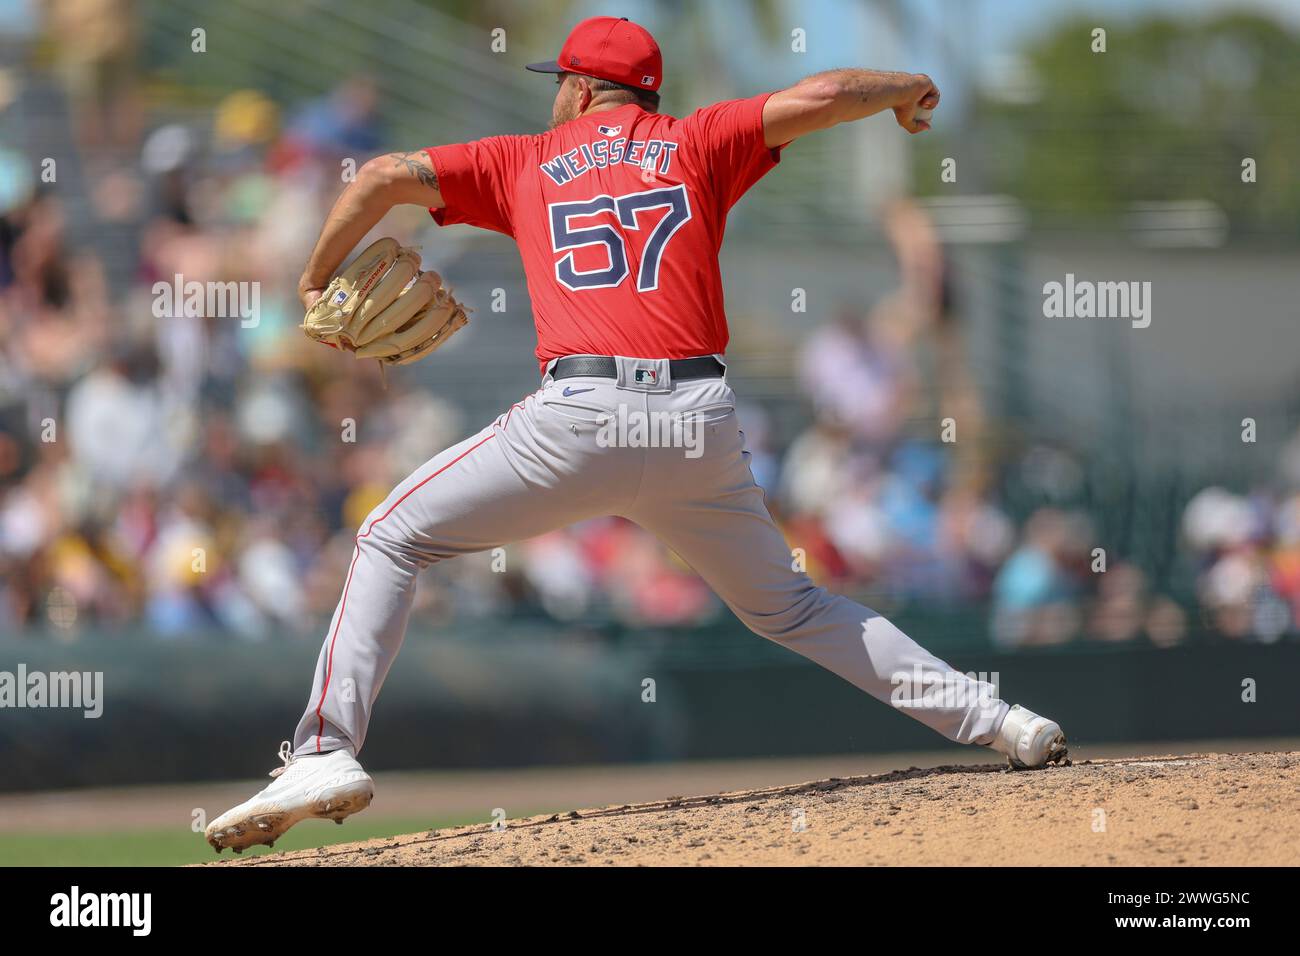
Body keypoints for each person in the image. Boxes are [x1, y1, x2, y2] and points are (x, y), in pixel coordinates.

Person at [206, 16, 1066, 854]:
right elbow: (832, 91)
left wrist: (315, 279)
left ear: (579, 88)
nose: (553, 100)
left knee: (391, 534)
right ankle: (1005, 722)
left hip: (577, 421)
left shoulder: (525, 159)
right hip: (701, 422)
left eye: (558, 85)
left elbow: (383, 176)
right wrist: (907, 89)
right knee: (795, 608)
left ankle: (321, 752)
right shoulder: (697, 141)